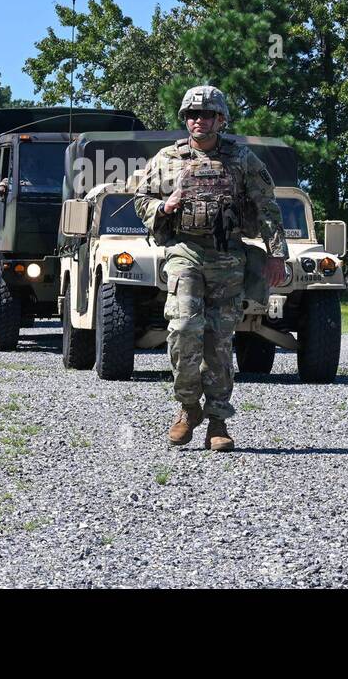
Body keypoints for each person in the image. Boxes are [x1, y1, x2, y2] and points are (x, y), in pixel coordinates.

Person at [133, 85, 288, 451]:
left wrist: (276, 253)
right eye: (192, 115)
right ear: (185, 119)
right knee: (184, 326)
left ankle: (217, 420)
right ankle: (188, 408)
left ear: (221, 119)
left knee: (218, 341)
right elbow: (140, 199)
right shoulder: (166, 158)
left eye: (206, 115)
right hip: (184, 251)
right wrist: (163, 208)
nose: (198, 121)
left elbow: (266, 206)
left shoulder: (242, 159)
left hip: (227, 256)